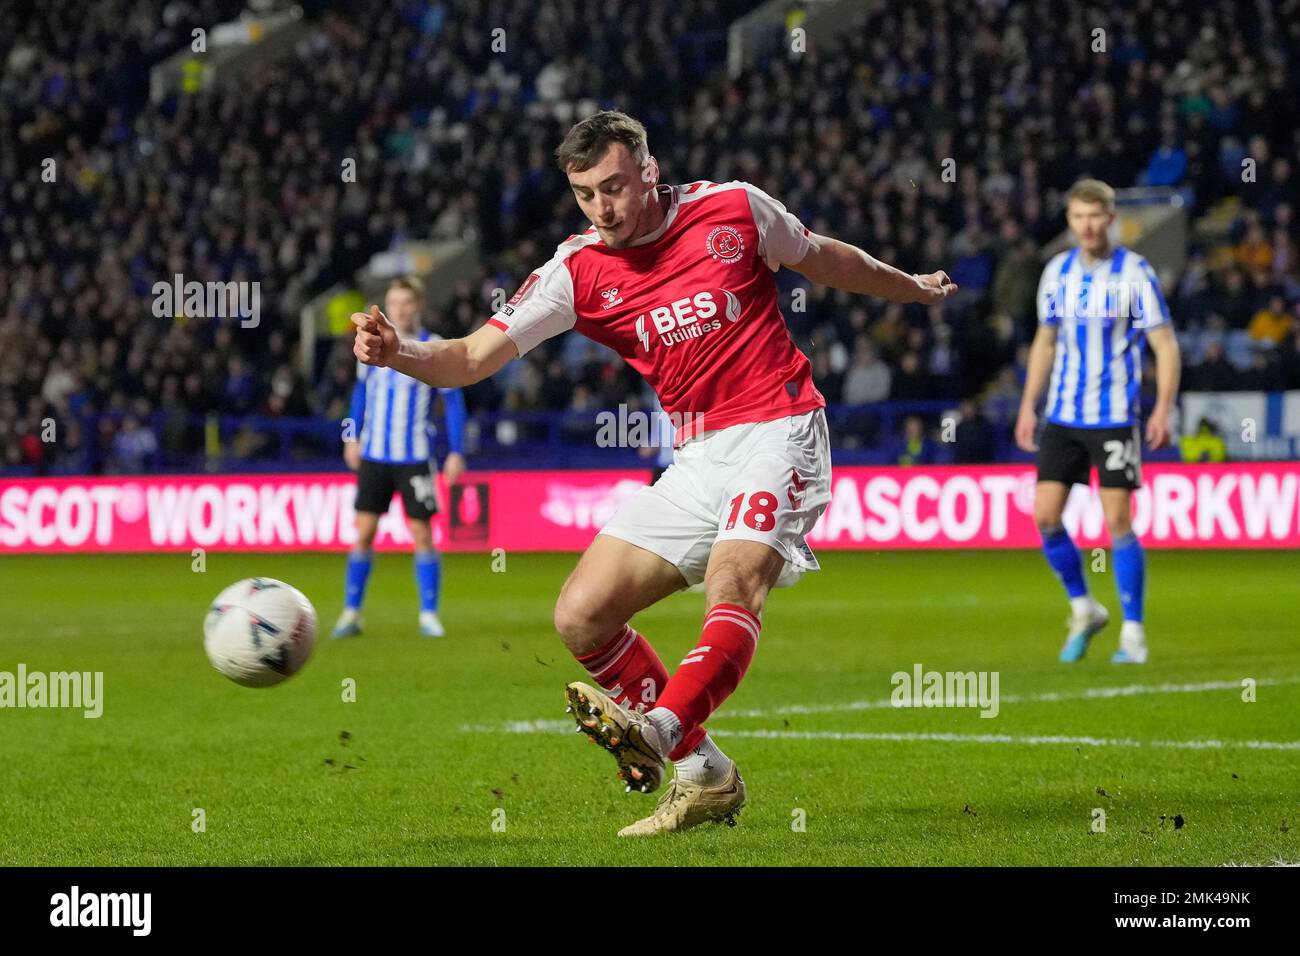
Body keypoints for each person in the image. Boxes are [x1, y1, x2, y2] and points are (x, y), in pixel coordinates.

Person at [352, 111, 956, 834]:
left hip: (780, 428)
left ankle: (661, 733)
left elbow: (826, 258)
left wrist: (913, 288)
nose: (601, 209)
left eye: (613, 187)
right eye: (584, 195)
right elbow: (471, 359)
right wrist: (399, 354)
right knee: (580, 614)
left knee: (734, 582)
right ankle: (706, 776)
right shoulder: (576, 270)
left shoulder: (734, 208)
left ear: (649, 170)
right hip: (696, 457)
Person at [1015, 179, 1181, 665]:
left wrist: (1162, 407)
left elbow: (1165, 343)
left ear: (1111, 219)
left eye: (1096, 216)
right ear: (1069, 221)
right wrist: (1029, 404)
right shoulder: (1057, 271)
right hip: (1063, 415)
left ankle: (1133, 633)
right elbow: (1045, 342)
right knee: (1045, 517)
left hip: (1114, 417)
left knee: (1118, 520)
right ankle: (1084, 608)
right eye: (1078, 217)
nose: (1087, 226)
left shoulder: (1135, 273)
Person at [334, 277, 467, 640]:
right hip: (376, 454)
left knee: (422, 534)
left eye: (406, 303)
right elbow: (360, 395)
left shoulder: (434, 346)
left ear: (418, 305)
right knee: (364, 533)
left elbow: (453, 402)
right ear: (387, 307)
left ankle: (428, 614)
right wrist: (351, 436)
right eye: (394, 303)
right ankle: (352, 613)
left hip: (415, 457)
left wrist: (456, 451)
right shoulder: (371, 345)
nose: (400, 309)